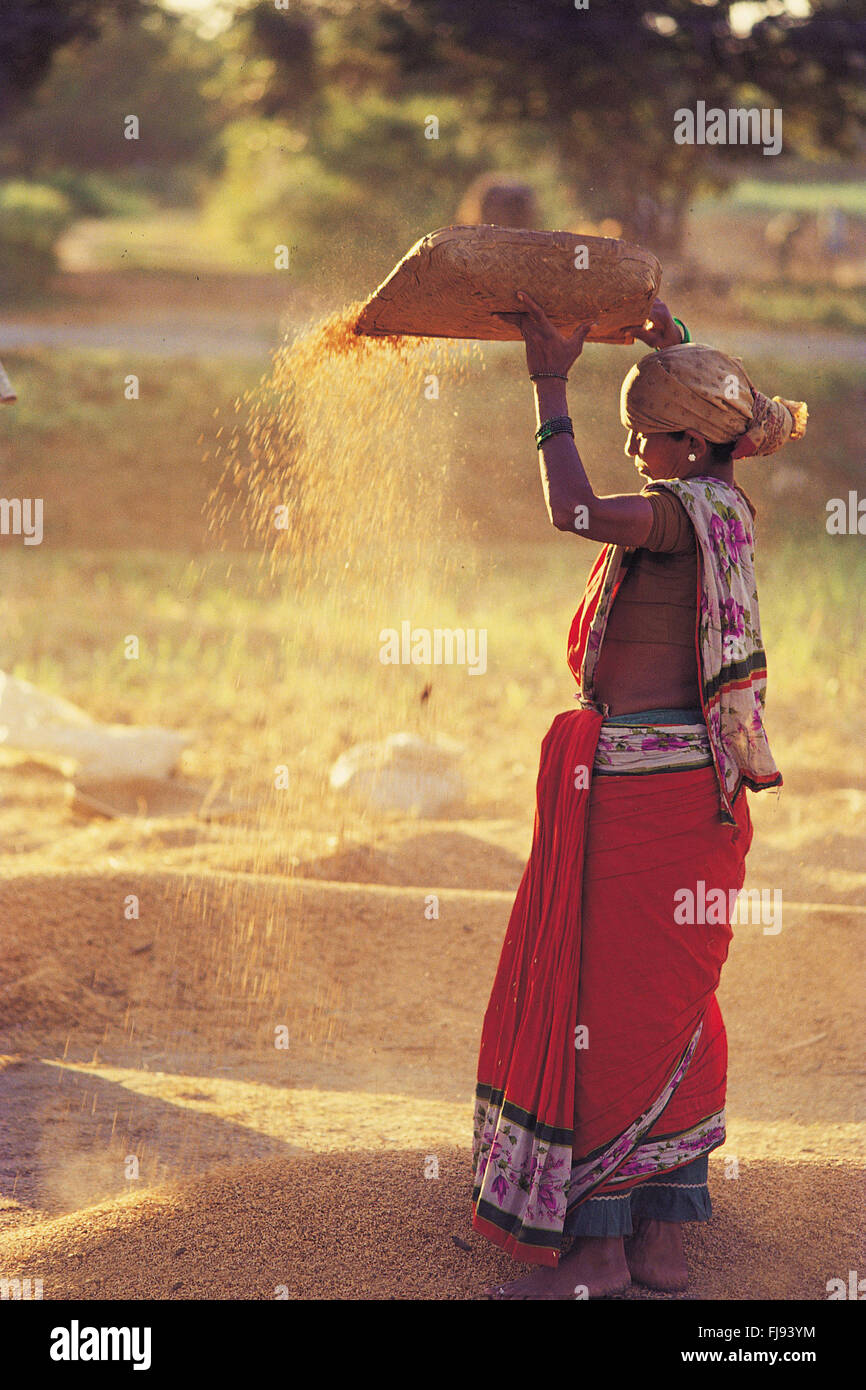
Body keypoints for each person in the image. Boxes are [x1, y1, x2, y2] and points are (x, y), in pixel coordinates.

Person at [472, 295, 807, 1299]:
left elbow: (569, 510)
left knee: (603, 1007)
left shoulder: (674, 515)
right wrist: (667, 343)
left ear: (684, 441)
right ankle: (663, 1237)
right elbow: (721, 416)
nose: (629, 446)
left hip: (638, 787)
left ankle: (597, 1251)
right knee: (669, 1002)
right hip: (699, 796)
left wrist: (546, 383)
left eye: (641, 433)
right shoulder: (722, 502)